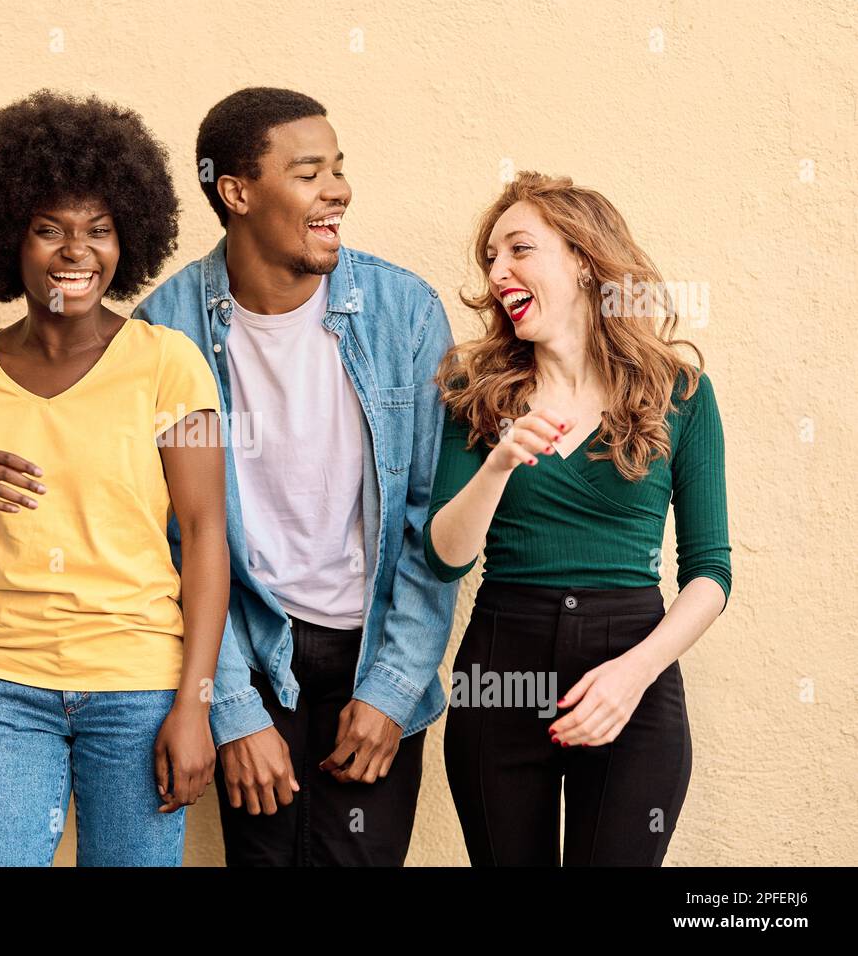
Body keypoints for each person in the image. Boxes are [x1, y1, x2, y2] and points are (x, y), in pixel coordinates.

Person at [134, 87, 460, 866]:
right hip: (246, 650)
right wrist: (232, 709)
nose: (338, 190)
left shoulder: (404, 312)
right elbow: (169, 538)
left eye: (338, 169)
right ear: (238, 192)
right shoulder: (163, 327)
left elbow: (429, 521)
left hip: (370, 651)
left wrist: (392, 689)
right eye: (310, 172)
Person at [0, 91, 228, 867]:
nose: (77, 251)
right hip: (4, 683)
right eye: (49, 229)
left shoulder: (169, 362)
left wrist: (195, 705)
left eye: (99, 230)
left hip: (139, 682)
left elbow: (204, 538)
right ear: (5, 239)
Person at [426, 170, 731, 865]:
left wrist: (636, 673)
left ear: (584, 260)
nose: (498, 271)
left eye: (518, 250)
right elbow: (444, 555)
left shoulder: (679, 393)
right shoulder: (473, 391)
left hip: (631, 665)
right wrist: (499, 462)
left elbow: (711, 572)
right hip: (503, 665)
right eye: (491, 259)